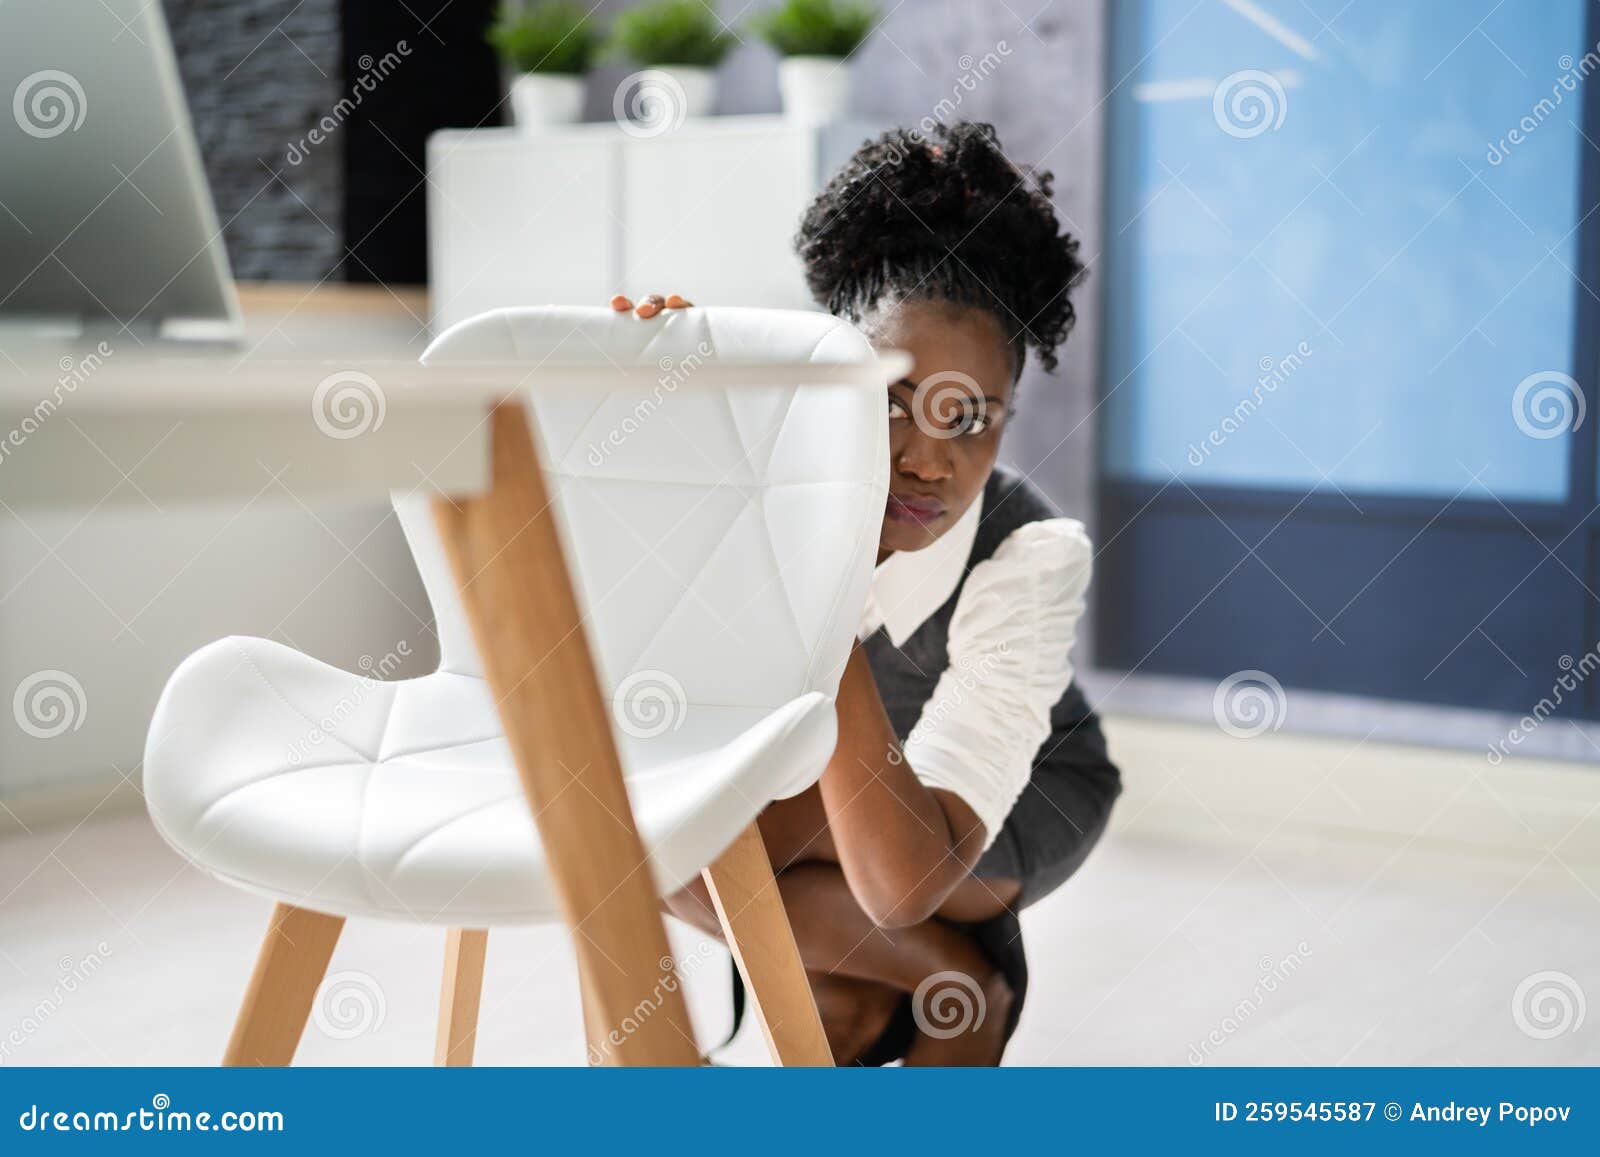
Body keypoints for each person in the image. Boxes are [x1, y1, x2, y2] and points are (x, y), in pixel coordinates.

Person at [612, 121, 1121, 1065]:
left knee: (722, 844)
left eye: (970, 419)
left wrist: (821, 585)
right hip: (850, 780)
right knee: (650, 838)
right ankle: (949, 980)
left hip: (1011, 788)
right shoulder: (764, 462)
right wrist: (656, 432)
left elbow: (901, 881)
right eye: (893, 396)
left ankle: (938, 976)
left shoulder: (1033, 553)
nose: (930, 459)